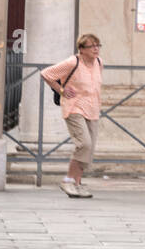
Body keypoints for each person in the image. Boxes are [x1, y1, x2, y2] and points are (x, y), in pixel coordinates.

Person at [40, 34, 103, 199]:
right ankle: (68, 180)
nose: (96, 49)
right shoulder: (72, 62)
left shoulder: (98, 62)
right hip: (74, 108)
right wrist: (61, 90)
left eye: (98, 45)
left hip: (93, 110)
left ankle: (77, 183)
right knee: (84, 144)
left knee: (88, 149)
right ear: (81, 49)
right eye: (92, 46)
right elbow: (46, 73)